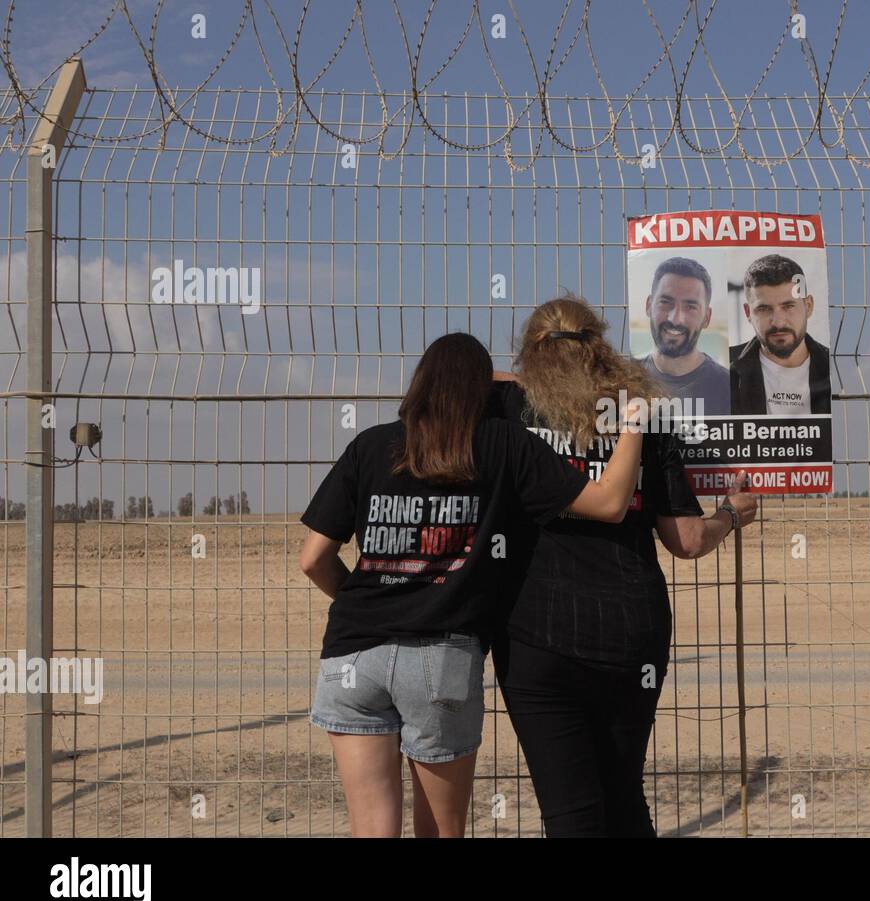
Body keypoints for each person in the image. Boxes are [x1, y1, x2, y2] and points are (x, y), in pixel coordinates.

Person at [298, 332, 646, 837]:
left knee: (371, 828)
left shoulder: (371, 445)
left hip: (352, 657)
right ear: (482, 391)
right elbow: (610, 503)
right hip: (440, 659)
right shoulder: (501, 443)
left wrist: (365, 599)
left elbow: (312, 559)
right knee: (440, 830)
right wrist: (633, 425)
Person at [492, 294, 757, 837]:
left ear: (532, 353)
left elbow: (461, 378)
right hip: (630, 630)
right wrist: (731, 514)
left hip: (535, 634)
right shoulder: (638, 411)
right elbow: (684, 540)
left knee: (570, 811)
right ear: (599, 349)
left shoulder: (505, 409)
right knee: (623, 793)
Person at [729, 253, 831, 415]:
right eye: (763, 309)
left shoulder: (836, 369)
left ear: (808, 306)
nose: (778, 322)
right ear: (748, 312)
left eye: (788, 306)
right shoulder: (724, 372)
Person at [637, 255, 732, 415]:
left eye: (690, 306)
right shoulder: (626, 379)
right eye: (666, 302)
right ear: (648, 306)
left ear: (707, 318)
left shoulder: (729, 387)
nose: (675, 319)